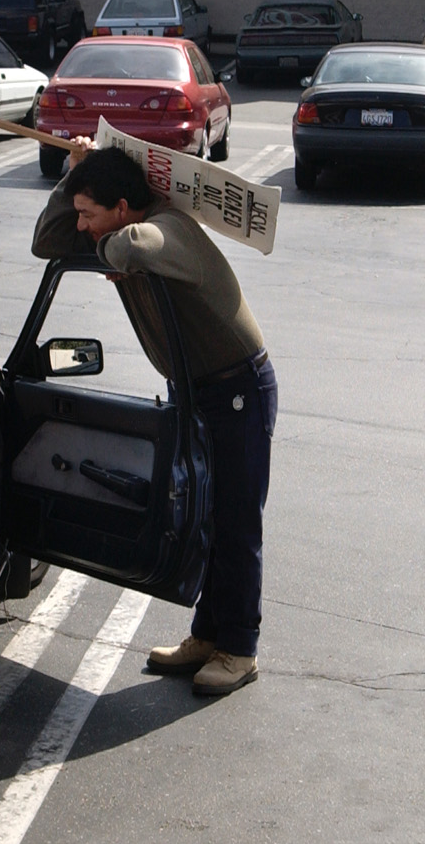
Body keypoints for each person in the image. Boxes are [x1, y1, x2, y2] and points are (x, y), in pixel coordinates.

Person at [33, 141, 274, 697]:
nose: (83, 228)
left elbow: (140, 243)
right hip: (195, 392)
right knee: (206, 516)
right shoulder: (109, 228)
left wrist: (112, 247)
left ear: (122, 206)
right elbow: (46, 241)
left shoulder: (172, 227)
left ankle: (239, 649)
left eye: (90, 216)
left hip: (238, 388)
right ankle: (209, 634)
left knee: (236, 521)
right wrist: (72, 175)